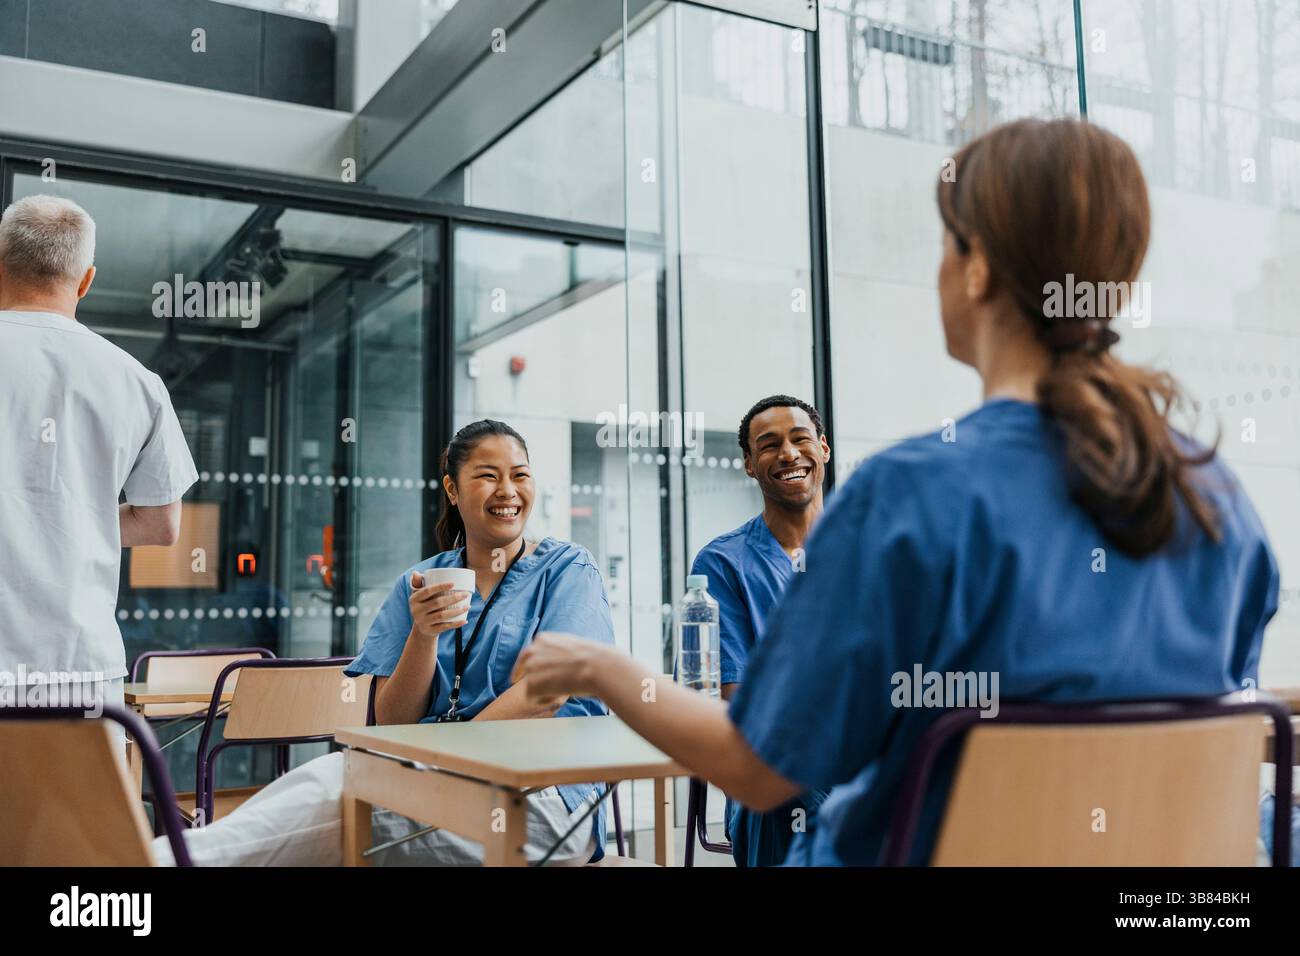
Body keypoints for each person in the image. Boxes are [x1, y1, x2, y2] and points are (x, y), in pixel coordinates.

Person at [511, 118, 1279, 865]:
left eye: (946, 243)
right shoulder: (1218, 501)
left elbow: (754, 768)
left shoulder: (913, 498)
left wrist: (595, 667)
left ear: (976, 267)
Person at [154, 419, 615, 866]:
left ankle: (147, 862)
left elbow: (546, 694)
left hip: (544, 796)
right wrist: (423, 634)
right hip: (435, 779)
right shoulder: (418, 584)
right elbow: (392, 721)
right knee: (335, 785)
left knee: (339, 799)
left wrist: (443, 756)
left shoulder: (567, 569)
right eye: (488, 476)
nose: (508, 491)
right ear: (452, 490)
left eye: (520, 475)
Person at [0, 195, 196, 751]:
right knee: (79, 838)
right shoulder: (137, 382)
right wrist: (74, 516)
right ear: (85, 281)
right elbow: (161, 525)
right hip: (80, 673)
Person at [690, 394, 831, 866]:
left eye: (800, 439)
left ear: (823, 449)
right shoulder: (723, 564)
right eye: (769, 445)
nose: (788, 453)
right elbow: (737, 699)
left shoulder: (870, 547)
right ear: (750, 465)